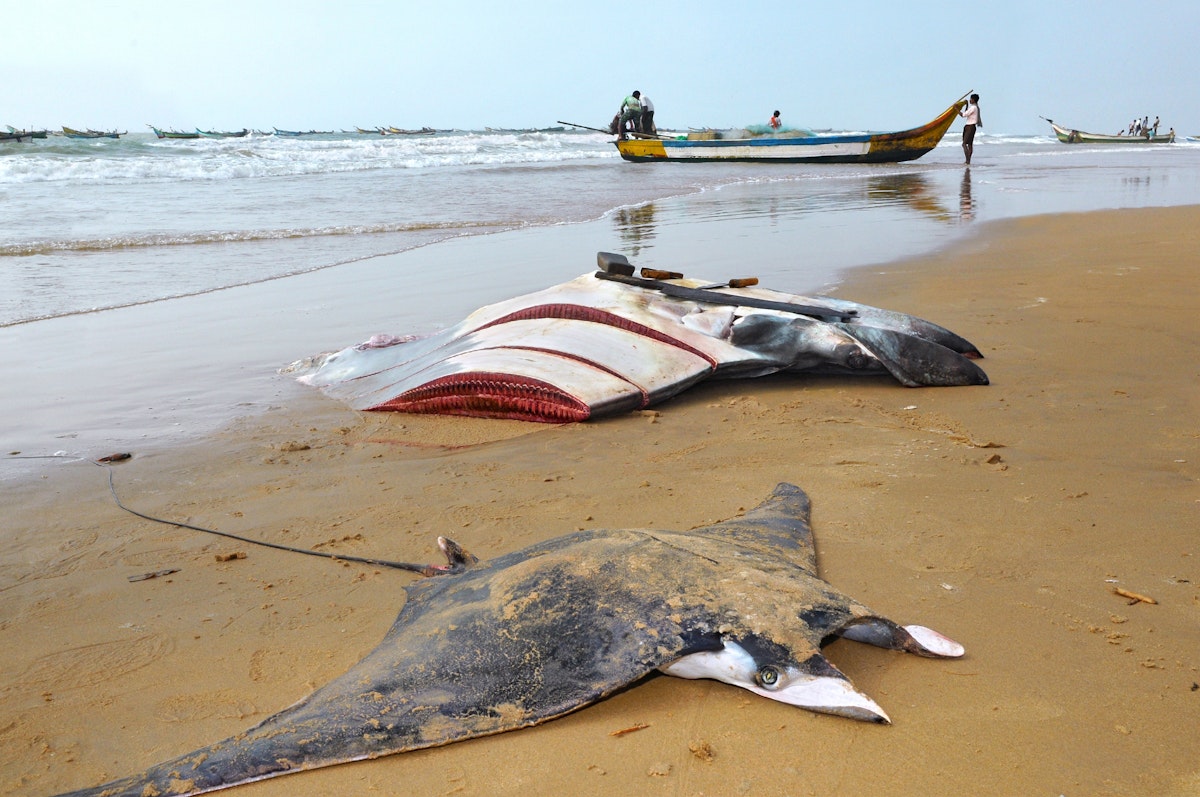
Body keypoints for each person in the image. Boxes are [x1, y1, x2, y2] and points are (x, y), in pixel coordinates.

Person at [959, 93, 981, 164]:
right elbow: (966, 113)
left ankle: (967, 161)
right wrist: (966, 105)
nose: (970, 100)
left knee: (964, 144)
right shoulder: (974, 107)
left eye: (971, 99)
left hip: (969, 127)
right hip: (971, 127)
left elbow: (963, 115)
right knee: (970, 144)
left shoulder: (973, 108)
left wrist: (955, 109)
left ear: (973, 100)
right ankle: (968, 160)